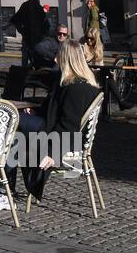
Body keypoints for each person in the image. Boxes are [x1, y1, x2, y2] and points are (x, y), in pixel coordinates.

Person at [20, 40, 103, 203]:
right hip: (53, 128)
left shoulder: (75, 88)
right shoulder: (75, 83)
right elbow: (56, 110)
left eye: (59, 56)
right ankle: (1, 188)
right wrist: (36, 111)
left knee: (13, 122)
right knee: (14, 134)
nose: (55, 60)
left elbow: (68, 125)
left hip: (62, 137)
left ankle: (0, 188)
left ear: (68, 59)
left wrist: (52, 153)